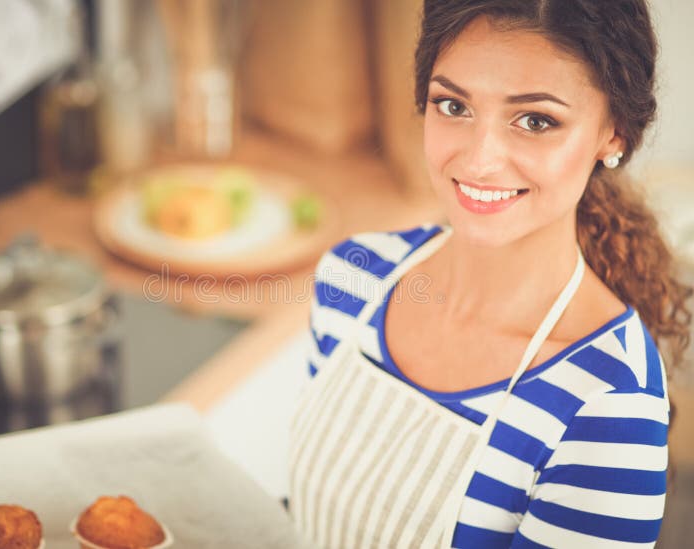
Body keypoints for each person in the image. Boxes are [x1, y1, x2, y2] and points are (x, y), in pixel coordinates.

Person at [288, 1, 693, 547]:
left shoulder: (608, 403)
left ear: (613, 133)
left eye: (536, 120)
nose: (479, 161)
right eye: (453, 105)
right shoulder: (353, 277)